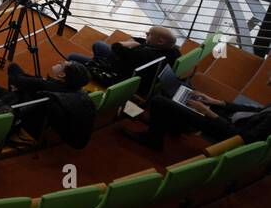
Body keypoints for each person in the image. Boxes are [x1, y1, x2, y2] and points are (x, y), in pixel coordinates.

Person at [125, 92, 271, 151]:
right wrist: (216, 102)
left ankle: (153, 139)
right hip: (226, 119)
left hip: (224, 131)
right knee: (192, 95)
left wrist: (208, 112)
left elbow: (243, 138)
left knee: (159, 101)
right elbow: (255, 109)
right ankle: (172, 127)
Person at [69, 26, 179, 92]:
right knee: (99, 45)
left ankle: (91, 67)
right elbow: (139, 40)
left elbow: (117, 47)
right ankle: (95, 61)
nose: (146, 34)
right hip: (131, 69)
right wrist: (136, 42)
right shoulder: (174, 51)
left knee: (73, 57)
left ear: (160, 41)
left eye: (149, 34)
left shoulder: (144, 54)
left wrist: (130, 43)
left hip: (117, 73)